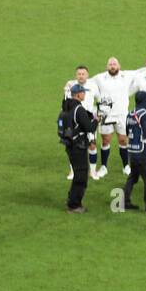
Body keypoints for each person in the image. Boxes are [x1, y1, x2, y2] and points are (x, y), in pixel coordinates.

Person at [58, 83, 98, 213]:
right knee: (81, 175)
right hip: (78, 146)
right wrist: (98, 119)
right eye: (83, 92)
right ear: (78, 94)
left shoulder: (67, 106)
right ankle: (74, 205)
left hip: (70, 145)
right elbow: (90, 128)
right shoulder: (78, 109)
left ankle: (71, 199)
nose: (85, 94)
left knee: (77, 173)